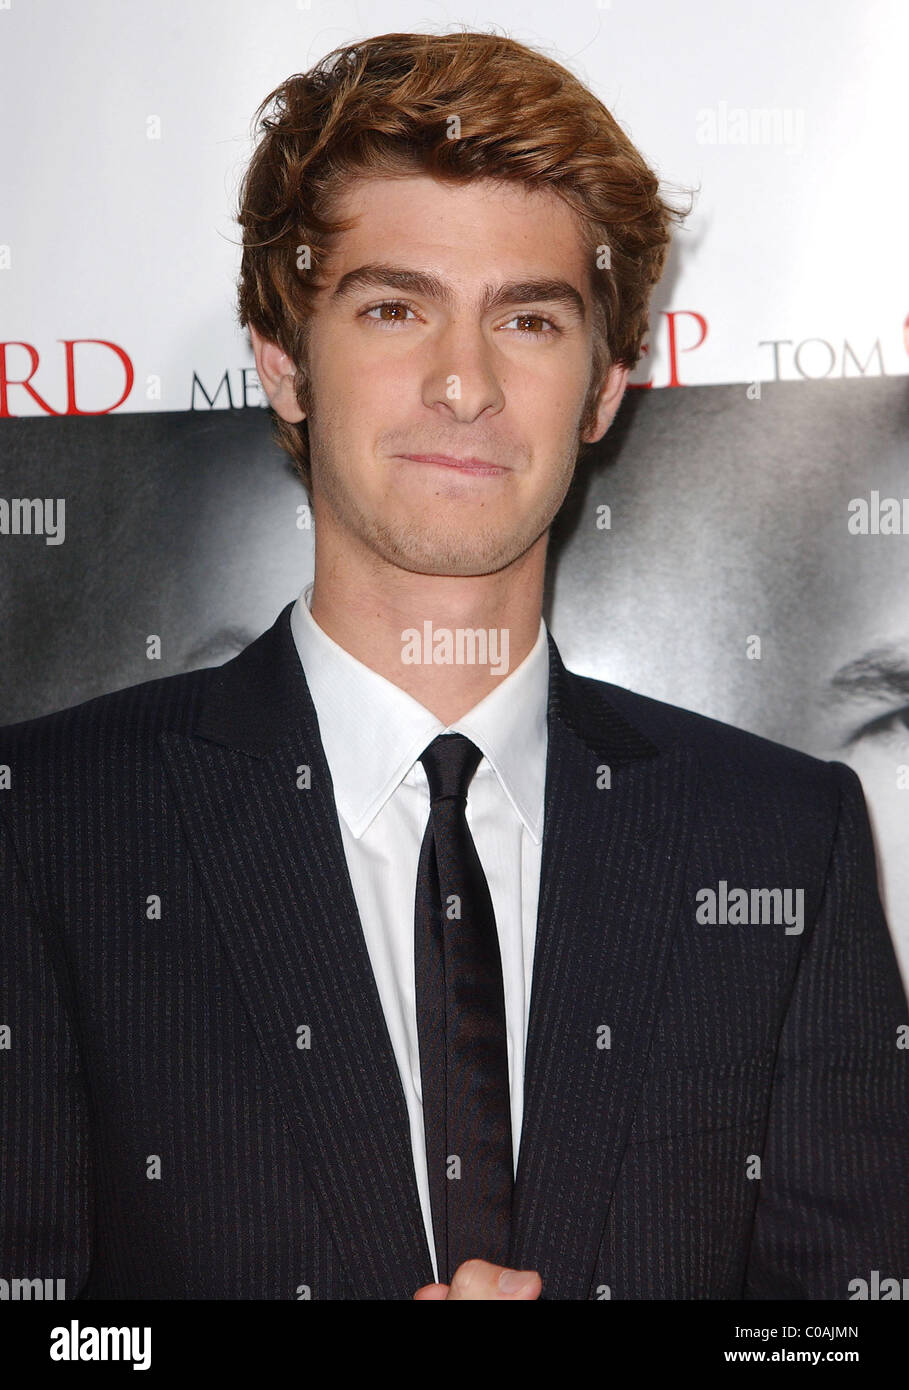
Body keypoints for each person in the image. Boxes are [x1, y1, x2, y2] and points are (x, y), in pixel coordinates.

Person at [1, 30, 906, 1302]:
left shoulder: (776, 841)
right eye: (393, 307)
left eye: (529, 318)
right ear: (282, 361)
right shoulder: (47, 827)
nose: (463, 382)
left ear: (603, 391)